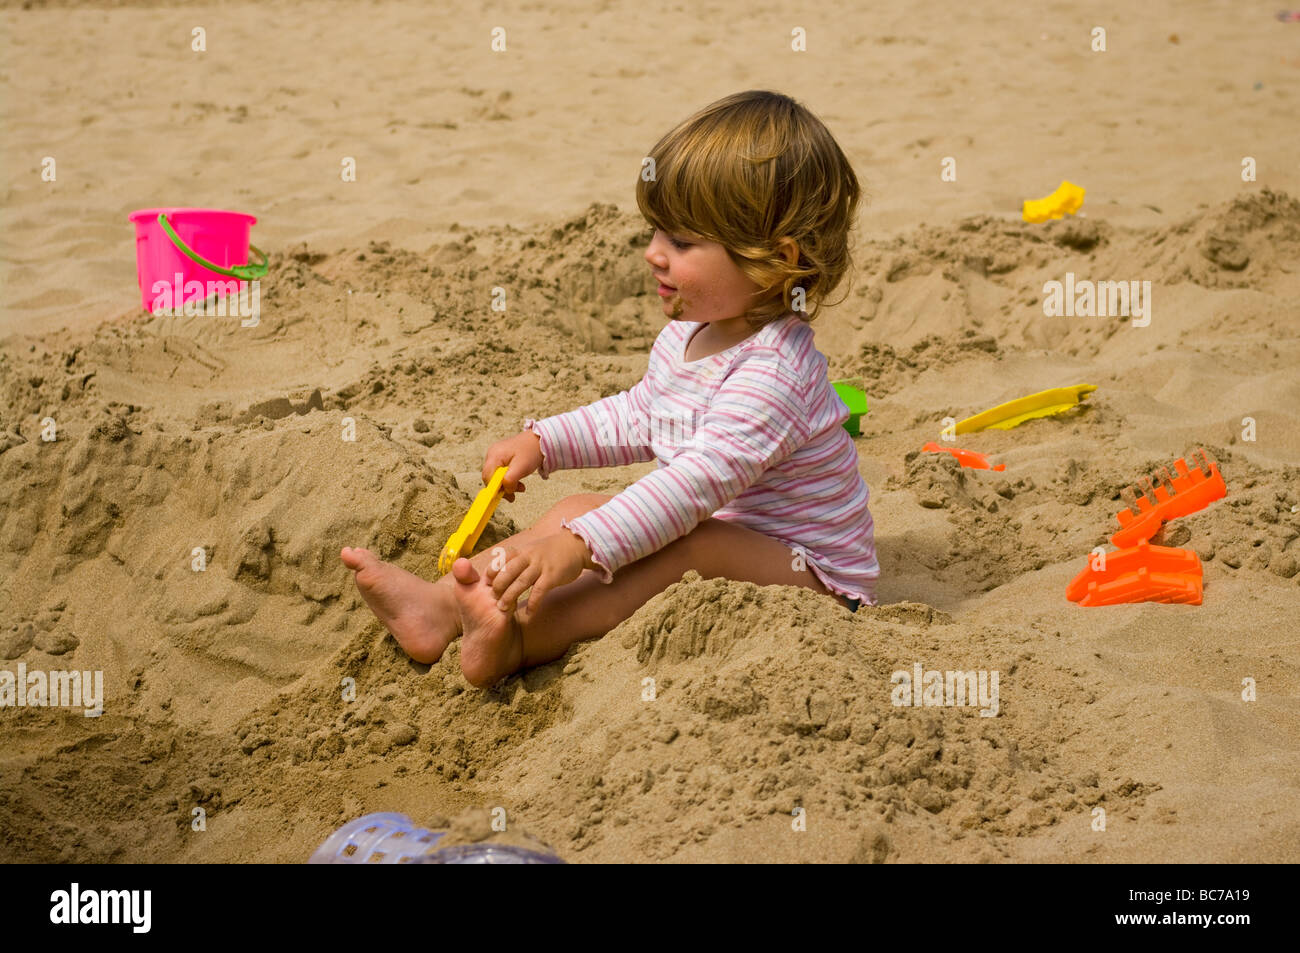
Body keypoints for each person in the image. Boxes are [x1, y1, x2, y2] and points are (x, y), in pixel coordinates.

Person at [341, 89, 879, 687]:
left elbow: (693, 485)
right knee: (574, 510)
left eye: (681, 242)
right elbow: (638, 416)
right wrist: (547, 443)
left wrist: (577, 549)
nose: (653, 254)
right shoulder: (692, 336)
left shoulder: (774, 373)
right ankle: (443, 606)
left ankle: (519, 638)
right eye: (656, 232)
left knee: (679, 548)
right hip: (721, 529)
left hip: (815, 579)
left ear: (775, 260)